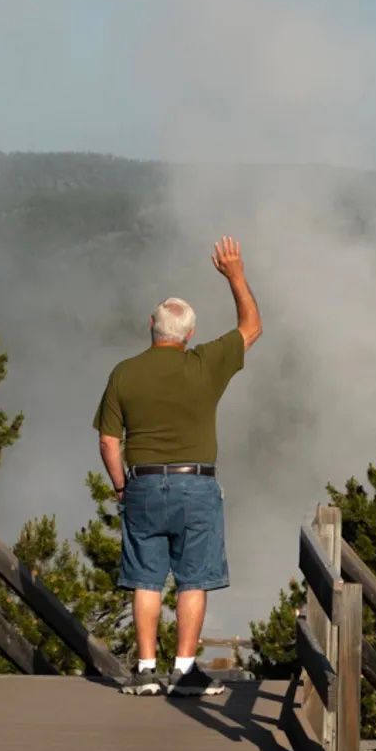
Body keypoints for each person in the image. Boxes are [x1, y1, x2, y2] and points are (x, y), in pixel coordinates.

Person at [94, 236, 262, 696]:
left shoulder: (124, 373)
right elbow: (252, 326)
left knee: (145, 578)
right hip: (196, 485)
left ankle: (146, 669)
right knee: (193, 579)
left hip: (143, 485)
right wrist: (235, 275)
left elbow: (109, 440)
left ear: (152, 326)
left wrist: (120, 486)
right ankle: (184, 670)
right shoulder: (205, 364)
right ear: (188, 335)